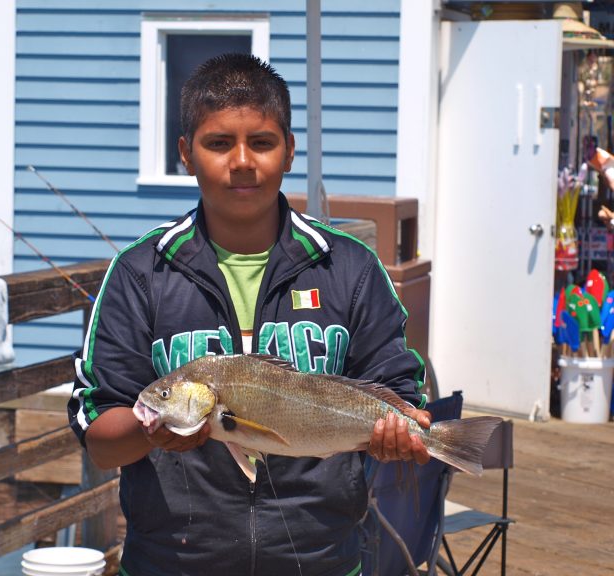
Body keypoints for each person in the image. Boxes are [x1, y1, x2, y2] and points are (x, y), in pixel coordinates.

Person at [68, 53, 431, 576]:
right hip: (171, 563)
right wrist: (151, 432)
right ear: (186, 155)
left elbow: (400, 387)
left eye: (262, 142)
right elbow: (100, 437)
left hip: (324, 561)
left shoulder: (348, 267)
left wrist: (402, 430)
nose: (242, 161)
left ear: (288, 152)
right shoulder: (140, 273)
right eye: (218, 143)